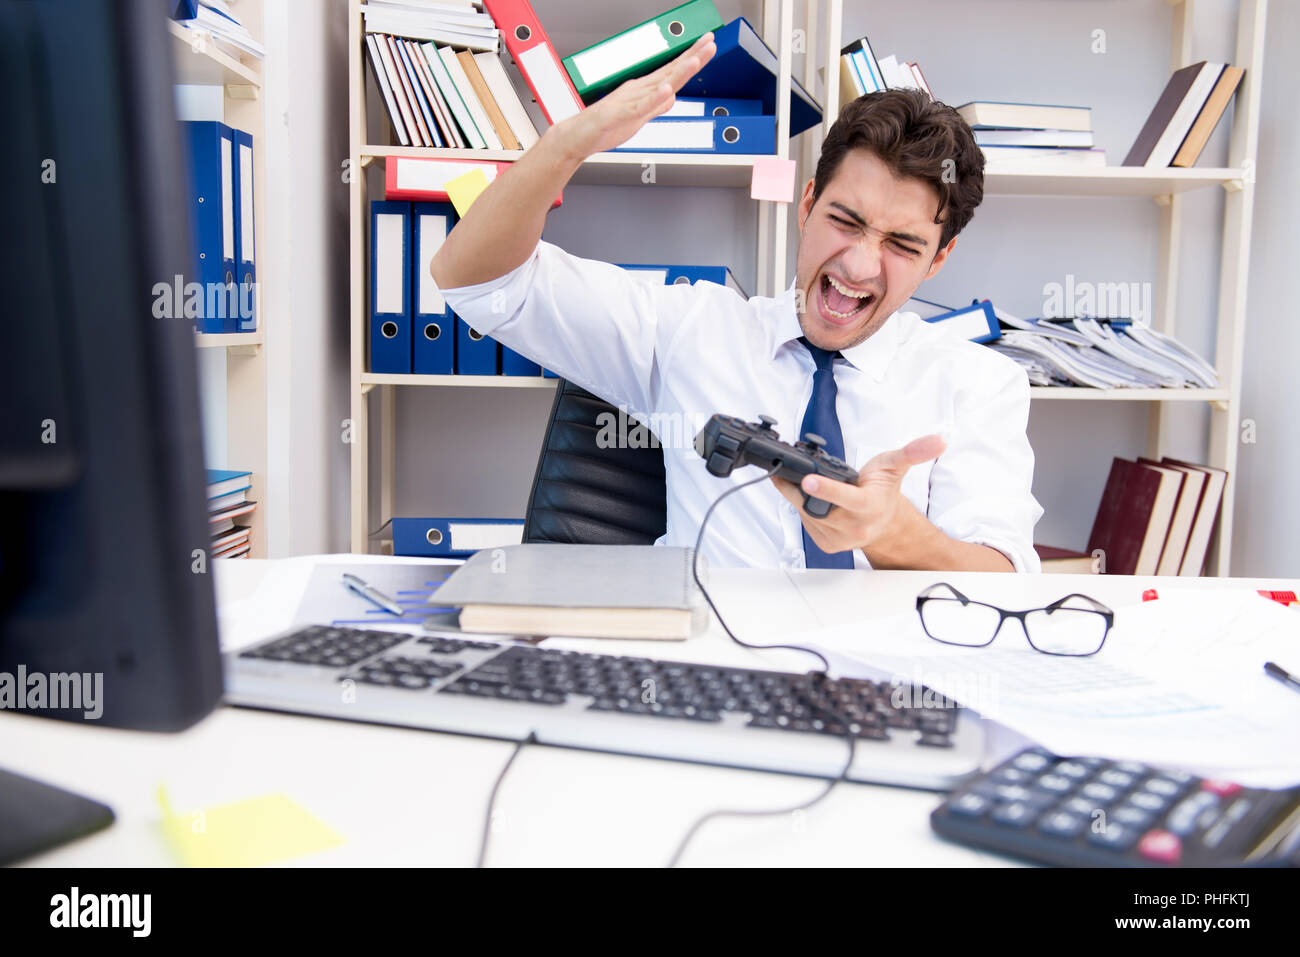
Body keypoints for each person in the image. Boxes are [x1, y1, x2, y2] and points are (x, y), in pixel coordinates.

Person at [432, 34, 1042, 571]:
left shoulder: (979, 383)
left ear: (939, 259)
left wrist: (894, 537)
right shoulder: (690, 328)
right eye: (845, 221)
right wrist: (568, 147)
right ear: (806, 205)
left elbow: (1003, 577)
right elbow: (475, 280)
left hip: (878, 679)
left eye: (902, 245)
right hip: (703, 663)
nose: (858, 265)